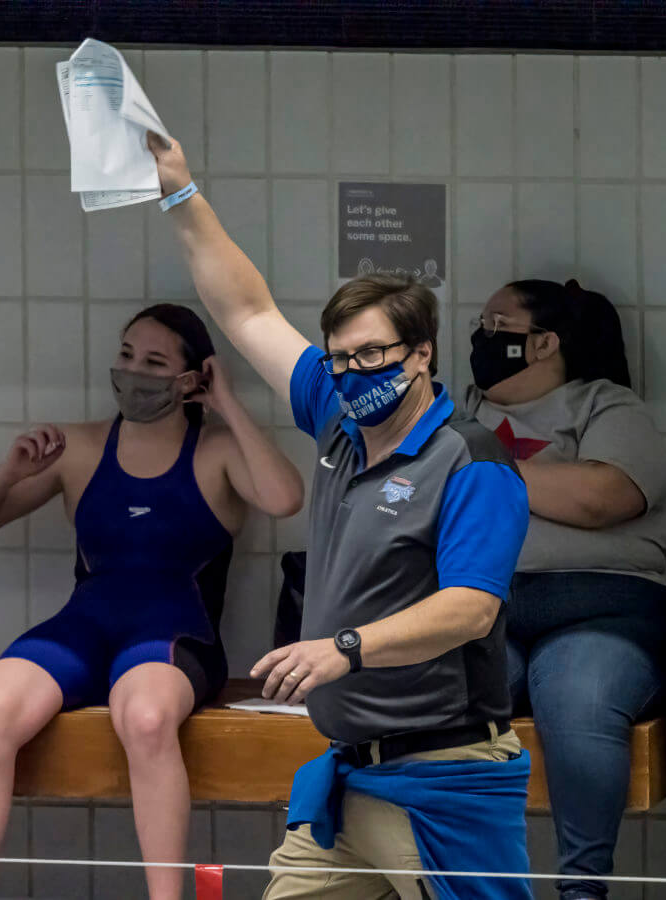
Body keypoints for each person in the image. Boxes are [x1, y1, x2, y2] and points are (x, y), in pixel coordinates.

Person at [147, 133, 533, 900]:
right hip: (348, 776)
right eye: (338, 358)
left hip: (445, 776)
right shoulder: (337, 420)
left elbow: (470, 608)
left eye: (372, 356)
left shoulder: (472, 461)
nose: (353, 374)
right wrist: (180, 193)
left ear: (422, 354)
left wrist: (344, 650)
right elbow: (246, 308)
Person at [0, 304, 304, 898]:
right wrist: (8, 472)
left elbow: (285, 498)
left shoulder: (215, 451)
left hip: (176, 634)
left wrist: (230, 406)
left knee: (145, 719)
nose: (134, 371)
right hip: (82, 631)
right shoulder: (79, 446)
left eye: (155, 361)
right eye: (127, 354)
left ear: (194, 380)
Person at [464, 279, 666, 900]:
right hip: (481, 613)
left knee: (577, 699)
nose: (480, 335)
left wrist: (483, 471)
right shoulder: (459, 414)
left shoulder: (605, 406)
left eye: (495, 323)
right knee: (440, 699)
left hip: (601, 611)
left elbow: (602, 496)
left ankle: (581, 891)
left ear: (543, 343)